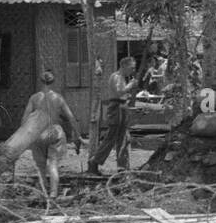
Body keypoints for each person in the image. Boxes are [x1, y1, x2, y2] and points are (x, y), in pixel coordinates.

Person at [22, 70, 81, 204]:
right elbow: (71, 118)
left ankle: (44, 194)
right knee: (53, 164)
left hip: (38, 133)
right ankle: (53, 194)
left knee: (40, 166)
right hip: (54, 132)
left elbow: (25, 118)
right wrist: (78, 135)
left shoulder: (34, 98)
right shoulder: (58, 98)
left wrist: (24, 136)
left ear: (40, 82)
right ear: (54, 82)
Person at [87, 55, 141, 174]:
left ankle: (123, 168)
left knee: (123, 138)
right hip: (116, 108)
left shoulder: (122, 77)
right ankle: (94, 161)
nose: (133, 70)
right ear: (124, 66)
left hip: (122, 107)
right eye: (131, 68)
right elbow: (118, 92)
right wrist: (130, 86)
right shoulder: (116, 77)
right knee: (111, 138)